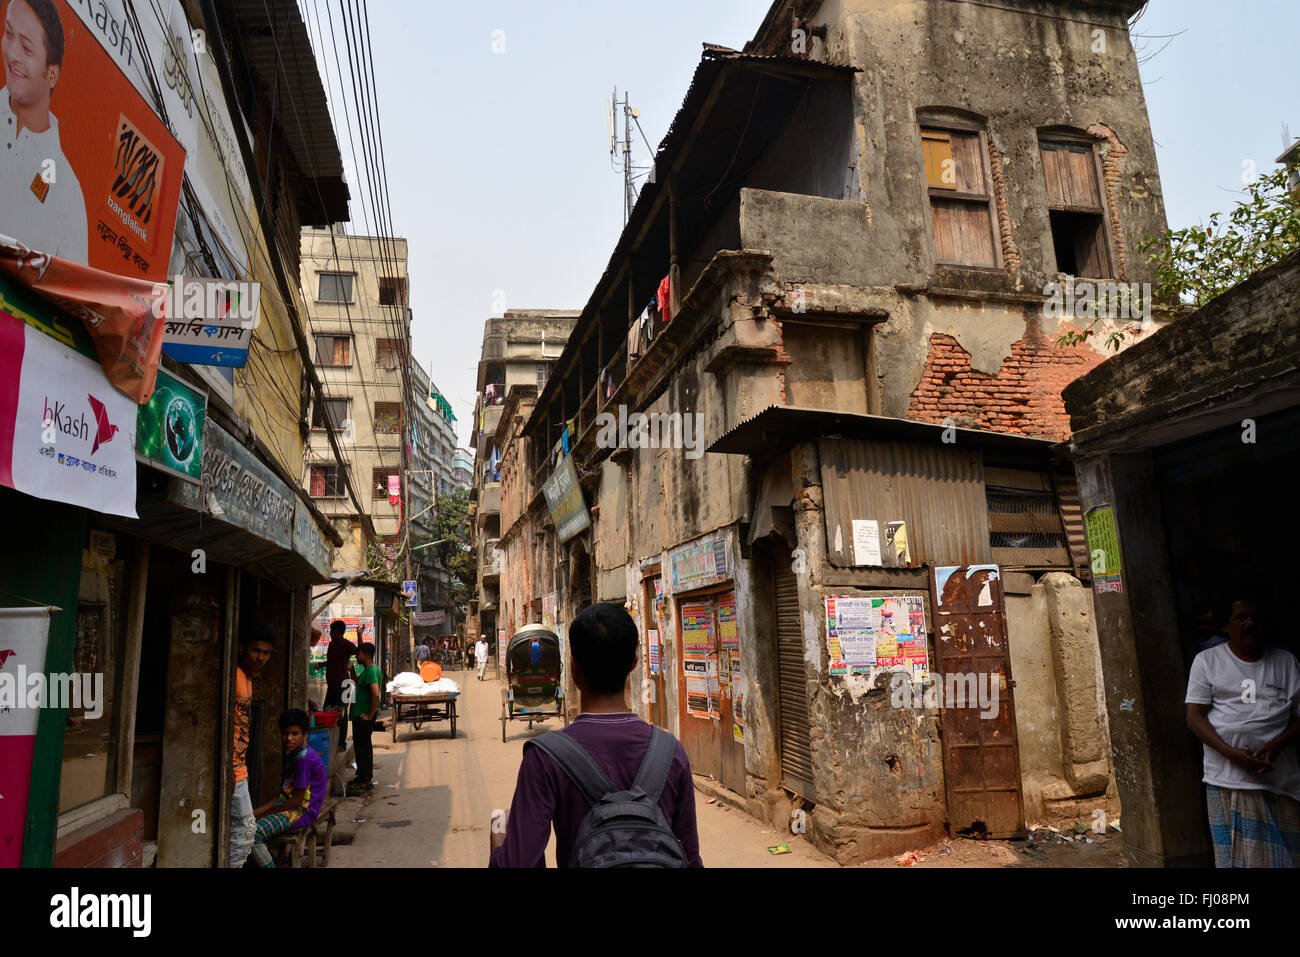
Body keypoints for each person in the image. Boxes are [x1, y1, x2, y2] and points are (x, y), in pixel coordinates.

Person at [489, 603, 702, 868]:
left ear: (574, 667)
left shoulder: (544, 758)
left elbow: (517, 862)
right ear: (634, 662)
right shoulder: (671, 752)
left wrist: (498, 836)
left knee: (502, 821)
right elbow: (690, 857)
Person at [1186, 597, 1300, 867]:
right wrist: (1232, 754)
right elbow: (1194, 718)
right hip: (1228, 779)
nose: (1250, 623)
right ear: (1226, 626)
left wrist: (1279, 744)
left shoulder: (1286, 662)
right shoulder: (1208, 661)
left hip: (1278, 779)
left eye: (1255, 618)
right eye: (1241, 618)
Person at [0, 0, 87, 264]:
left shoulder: (67, 193)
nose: (11, 52)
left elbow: (72, 295)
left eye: (26, 48)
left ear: (52, 75)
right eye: (8, 33)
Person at [248, 709, 330, 868]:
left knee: (252, 833)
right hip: (290, 807)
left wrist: (265, 814)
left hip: (302, 811)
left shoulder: (304, 759)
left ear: (304, 735)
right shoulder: (293, 755)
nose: (289, 738)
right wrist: (253, 814)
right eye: (285, 734)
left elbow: (296, 801)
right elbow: (281, 796)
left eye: (295, 734)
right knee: (248, 824)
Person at [230, 624, 274, 869]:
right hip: (232, 768)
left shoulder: (247, 679)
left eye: (266, 653)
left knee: (241, 830)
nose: (261, 658)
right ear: (241, 649)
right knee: (245, 829)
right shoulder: (235, 676)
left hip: (239, 766)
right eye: (256, 651)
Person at [349, 642, 382, 794]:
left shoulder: (372, 671)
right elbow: (358, 683)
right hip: (360, 715)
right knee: (360, 747)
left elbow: (375, 694)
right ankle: (362, 776)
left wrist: (369, 715)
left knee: (364, 747)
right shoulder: (367, 671)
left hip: (364, 717)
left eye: (359, 654)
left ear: (367, 655)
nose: (357, 657)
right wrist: (352, 672)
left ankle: (365, 779)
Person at [323, 620, 356, 750]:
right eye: (331, 632)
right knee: (327, 711)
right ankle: (329, 741)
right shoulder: (331, 645)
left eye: (333, 632)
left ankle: (341, 743)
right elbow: (331, 661)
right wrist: (322, 664)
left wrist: (359, 635)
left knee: (342, 713)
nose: (331, 634)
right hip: (332, 685)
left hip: (344, 684)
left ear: (340, 633)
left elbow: (359, 651)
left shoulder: (347, 645)